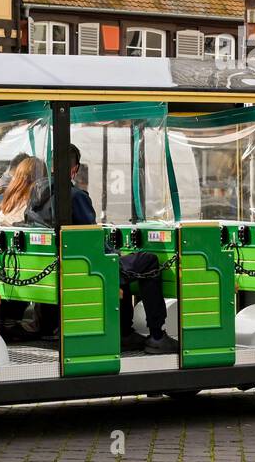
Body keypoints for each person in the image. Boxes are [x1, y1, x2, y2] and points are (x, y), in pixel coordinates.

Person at [68, 143, 177, 355]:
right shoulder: (75, 196)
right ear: (75, 169)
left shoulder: (37, 193)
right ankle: (157, 334)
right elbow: (91, 237)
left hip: (67, 264)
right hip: (88, 266)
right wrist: (115, 254)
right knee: (148, 261)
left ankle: (124, 332)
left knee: (126, 267)